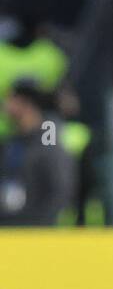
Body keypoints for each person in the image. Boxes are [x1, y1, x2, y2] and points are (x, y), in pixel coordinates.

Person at [0, 81, 76, 225]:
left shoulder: (48, 141)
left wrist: (41, 226)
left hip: (36, 231)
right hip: (8, 228)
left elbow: (60, 190)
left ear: (26, 104)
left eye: (11, 99)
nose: (5, 105)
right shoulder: (12, 142)